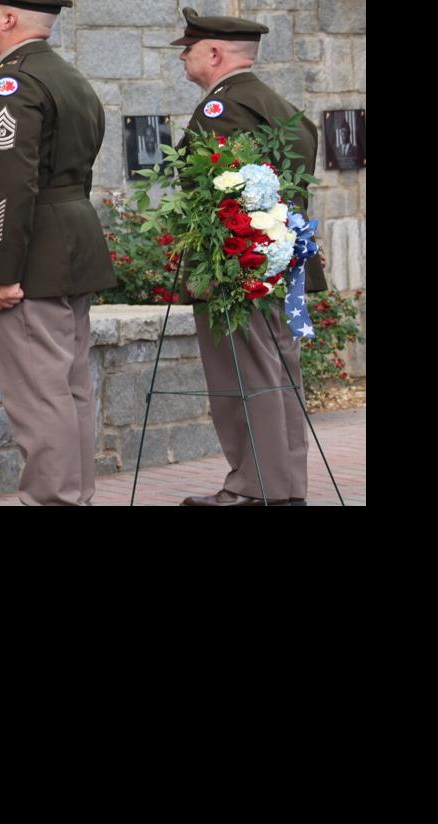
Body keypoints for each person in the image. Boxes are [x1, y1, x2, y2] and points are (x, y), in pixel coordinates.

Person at [172, 6, 328, 507]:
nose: (183, 55)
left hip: (240, 264)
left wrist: (218, 258)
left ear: (214, 53)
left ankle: (255, 488)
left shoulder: (224, 106)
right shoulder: (272, 102)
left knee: (245, 378)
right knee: (278, 373)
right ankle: (282, 486)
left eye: (189, 47)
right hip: (275, 259)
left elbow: (215, 193)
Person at [0, 1, 116, 505]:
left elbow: (10, 184)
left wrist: (1, 269)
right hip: (69, 244)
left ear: (7, 18)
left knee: (39, 393)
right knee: (70, 388)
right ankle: (74, 496)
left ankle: (54, 499)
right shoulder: (68, 77)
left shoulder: (15, 83)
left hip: (30, 258)